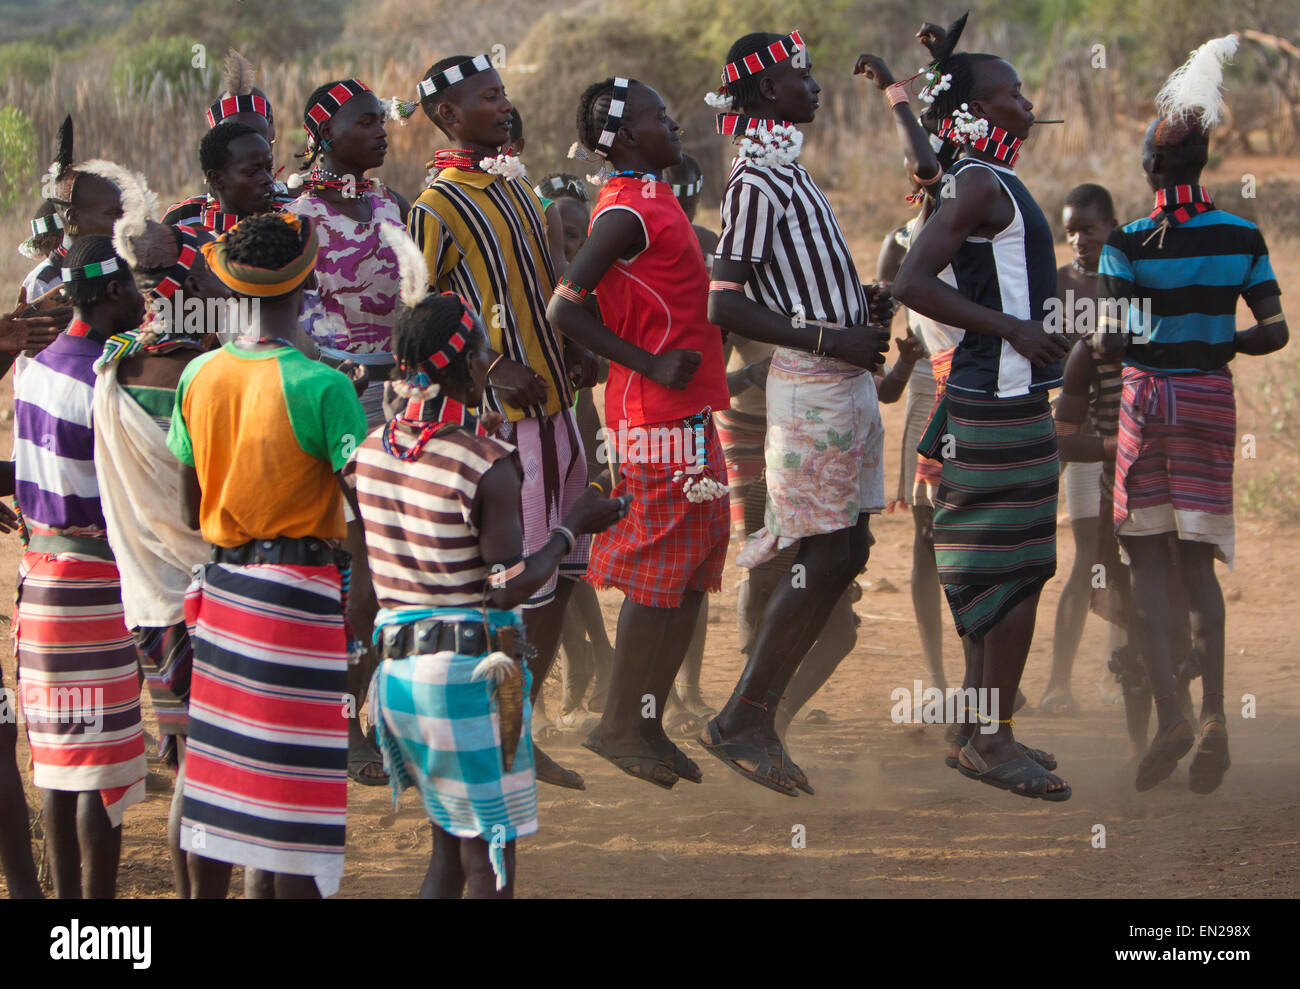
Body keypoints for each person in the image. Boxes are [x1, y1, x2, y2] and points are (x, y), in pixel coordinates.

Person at [349, 255, 625, 895]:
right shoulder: (485, 464)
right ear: (470, 365)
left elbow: (361, 598)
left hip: (397, 681)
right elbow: (509, 586)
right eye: (482, 354)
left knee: (448, 854)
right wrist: (569, 529)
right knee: (490, 862)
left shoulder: (367, 455)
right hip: (467, 678)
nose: (488, 365)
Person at [702, 30, 891, 796]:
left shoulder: (784, 168)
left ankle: (754, 713)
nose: (811, 85)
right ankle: (744, 716)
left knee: (845, 552)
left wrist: (856, 307)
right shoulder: (754, 180)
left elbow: (788, 280)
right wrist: (827, 331)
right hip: (811, 384)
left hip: (838, 379)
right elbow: (727, 297)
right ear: (759, 94)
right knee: (825, 553)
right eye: (796, 76)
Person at [1099, 35, 1287, 794]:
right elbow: (1274, 331)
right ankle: (1216, 716)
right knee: (1200, 562)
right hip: (1211, 397)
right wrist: (1219, 340)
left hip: (1149, 403)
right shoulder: (1243, 236)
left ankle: (1171, 710)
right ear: (1202, 168)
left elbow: (1114, 340)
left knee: (1147, 561)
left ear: (1152, 170)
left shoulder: (1126, 242)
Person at [408, 53, 599, 789]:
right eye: (488, 98)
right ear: (448, 117)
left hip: (555, 405)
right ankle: (492, 736)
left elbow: (551, 279)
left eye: (504, 93)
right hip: (497, 424)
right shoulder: (437, 204)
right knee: (515, 578)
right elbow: (419, 314)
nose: (504, 106)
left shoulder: (515, 183)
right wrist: (488, 366)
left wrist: (573, 346)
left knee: (563, 569)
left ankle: (520, 723)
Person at [893, 13, 1072, 800]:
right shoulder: (977, 183)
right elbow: (911, 284)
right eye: (1014, 94)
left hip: (1000, 397)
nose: (1028, 103)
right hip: (996, 405)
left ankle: (979, 726)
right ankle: (990, 740)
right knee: (1019, 571)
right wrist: (1015, 330)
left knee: (1003, 572)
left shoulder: (984, 177)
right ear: (981, 111)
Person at [169, 213, 367, 898]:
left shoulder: (199, 377)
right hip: (299, 602)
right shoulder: (326, 388)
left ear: (228, 287)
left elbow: (188, 499)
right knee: (294, 799)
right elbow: (362, 507)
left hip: (222, 595)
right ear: (308, 280)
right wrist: (362, 609)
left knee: (230, 780)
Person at [549, 76, 730, 788]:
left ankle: (646, 722)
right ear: (624, 137)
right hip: (652, 414)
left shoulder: (651, 198)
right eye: (659, 114)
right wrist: (650, 359)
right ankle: (619, 723)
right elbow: (567, 308)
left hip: (685, 409)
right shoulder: (624, 211)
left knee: (689, 572)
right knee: (659, 575)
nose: (674, 121)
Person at [92, 167, 228, 897]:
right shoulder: (201, 378)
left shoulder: (110, 371)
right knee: (218, 766)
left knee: (185, 754)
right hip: (212, 596)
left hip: (146, 597)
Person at [13, 233, 150, 897]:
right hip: (95, 589)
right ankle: (96, 921)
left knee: (61, 765)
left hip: (38, 584)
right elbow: (131, 491)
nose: (142, 298)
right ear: (114, 293)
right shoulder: (106, 381)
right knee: (103, 775)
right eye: (134, 287)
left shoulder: (33, 371)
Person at [1040, 183, 1120, 715]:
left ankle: (1120, 673)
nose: (1078, 241)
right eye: (1070, 231)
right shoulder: (1059, 286)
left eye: (1088, 229)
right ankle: (1058, 684)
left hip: (1130, 436)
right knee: (1087, 556)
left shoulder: (1128, 285)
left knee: (1128, 559)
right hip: (1084, 438)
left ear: (1111, 228)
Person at [163, 50, 291, 226]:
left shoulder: (297, 209)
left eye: (256, 138)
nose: (249, 147)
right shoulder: (185, 217)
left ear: (272, 132)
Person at [192, 121, 277, 235]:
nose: (267, 179)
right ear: (216, 179)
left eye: (269, 168)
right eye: (252, 172)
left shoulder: (294, 231)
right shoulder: (206, 248)